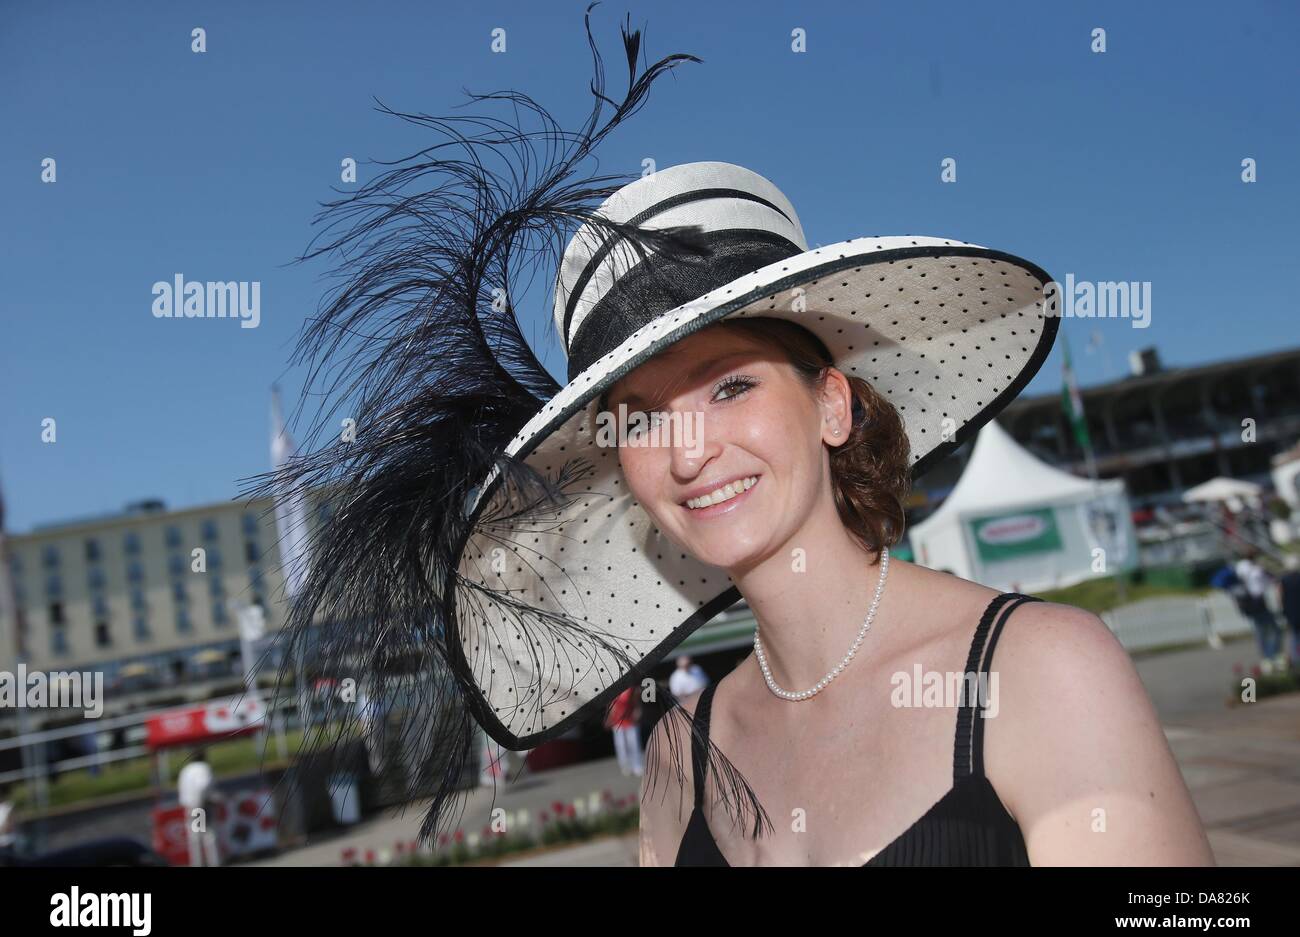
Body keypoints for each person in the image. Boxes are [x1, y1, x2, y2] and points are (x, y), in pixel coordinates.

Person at [250, 5, 1214, 865]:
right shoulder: (679, 758)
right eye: (643, 415)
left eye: (732, 385)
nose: (689, 451)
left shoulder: (1040, 672)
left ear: (834, 405)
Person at [1234, 549, 1283, 670]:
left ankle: (1268, 657)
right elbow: (1266, 579)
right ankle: (1270, 656)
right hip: (1256, 601)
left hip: (1253, 601)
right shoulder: (1250, 568)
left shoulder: (1242, 567)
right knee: (1272, 630)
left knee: (1262, 630)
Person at [177, 749, 221, 867]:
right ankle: (214, 863)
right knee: (208, 837)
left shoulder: (185, 770)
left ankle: (197, 864)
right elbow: (203, 785)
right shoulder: (203, 768)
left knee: (194, 839)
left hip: (189, 806)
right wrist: (201, 802)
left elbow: (182, 790)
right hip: (200, 806)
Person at [604, 686, 644, 777]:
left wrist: (637, 713)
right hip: (617, 721)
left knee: (633, 744)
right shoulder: (612, 689)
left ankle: (637, 766)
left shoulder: (631, 688)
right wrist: (608, 719)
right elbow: (610, 706)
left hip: (630, 720)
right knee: (621, 745)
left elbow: (637, 703)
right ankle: (625, 766)